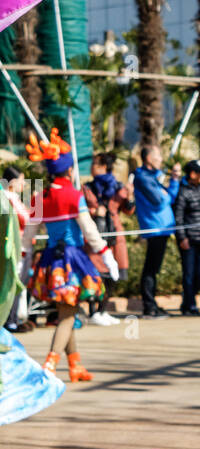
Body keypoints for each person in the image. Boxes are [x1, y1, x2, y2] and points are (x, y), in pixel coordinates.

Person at [26, 128, 119, 380]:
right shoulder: (73, 195)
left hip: (49, 262)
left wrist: (24, 260)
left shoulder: (38, 195)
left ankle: (75, 365)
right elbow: (89, 230)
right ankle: (50, 363)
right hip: (71, 261)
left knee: (67, 310)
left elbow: (29, 234)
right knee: (68, 314)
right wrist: (106, 254)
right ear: (69, 170)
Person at [84, 152, 133, 326]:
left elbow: (128, 209)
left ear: (104, 166)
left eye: (95, 164)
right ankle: (92, 311)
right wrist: (93, 212)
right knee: (94, 273)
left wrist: (131, 195)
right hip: (94, 234)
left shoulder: (119, 188)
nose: (91, 168)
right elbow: (80, 209)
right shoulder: (87, 187)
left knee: (113, 275)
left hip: (114, 234)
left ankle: (102, 310)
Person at [132, 144, 180, 319]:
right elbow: (160, 200)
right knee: (150, 268)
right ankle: (149, 306)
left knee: (154, 269)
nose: (161, 160)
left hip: (163, 228)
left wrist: (172, 181)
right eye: (158, 156)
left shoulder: (154, 177)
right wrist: (169, 188)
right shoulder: (142, 177)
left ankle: (152, 304)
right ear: (149, 159)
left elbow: (169, 196)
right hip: (154, 228)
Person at [174, 159, 200, 315]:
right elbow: (178, 217)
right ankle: (189, 305)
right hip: (189, 240)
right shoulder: (182, 191)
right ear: (193, 174)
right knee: (189, 274)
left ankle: (187, 299)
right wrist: (181, 238)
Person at [1, 165, 34, 331]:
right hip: (16, 248)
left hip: (21, 246)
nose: (24, 184)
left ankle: (13, 319)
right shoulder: (8, 198)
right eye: (22, 180)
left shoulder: (13, 197)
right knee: (15, 285)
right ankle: (10, 320)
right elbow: (26, 219)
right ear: (13, 181)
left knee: (18, 285)